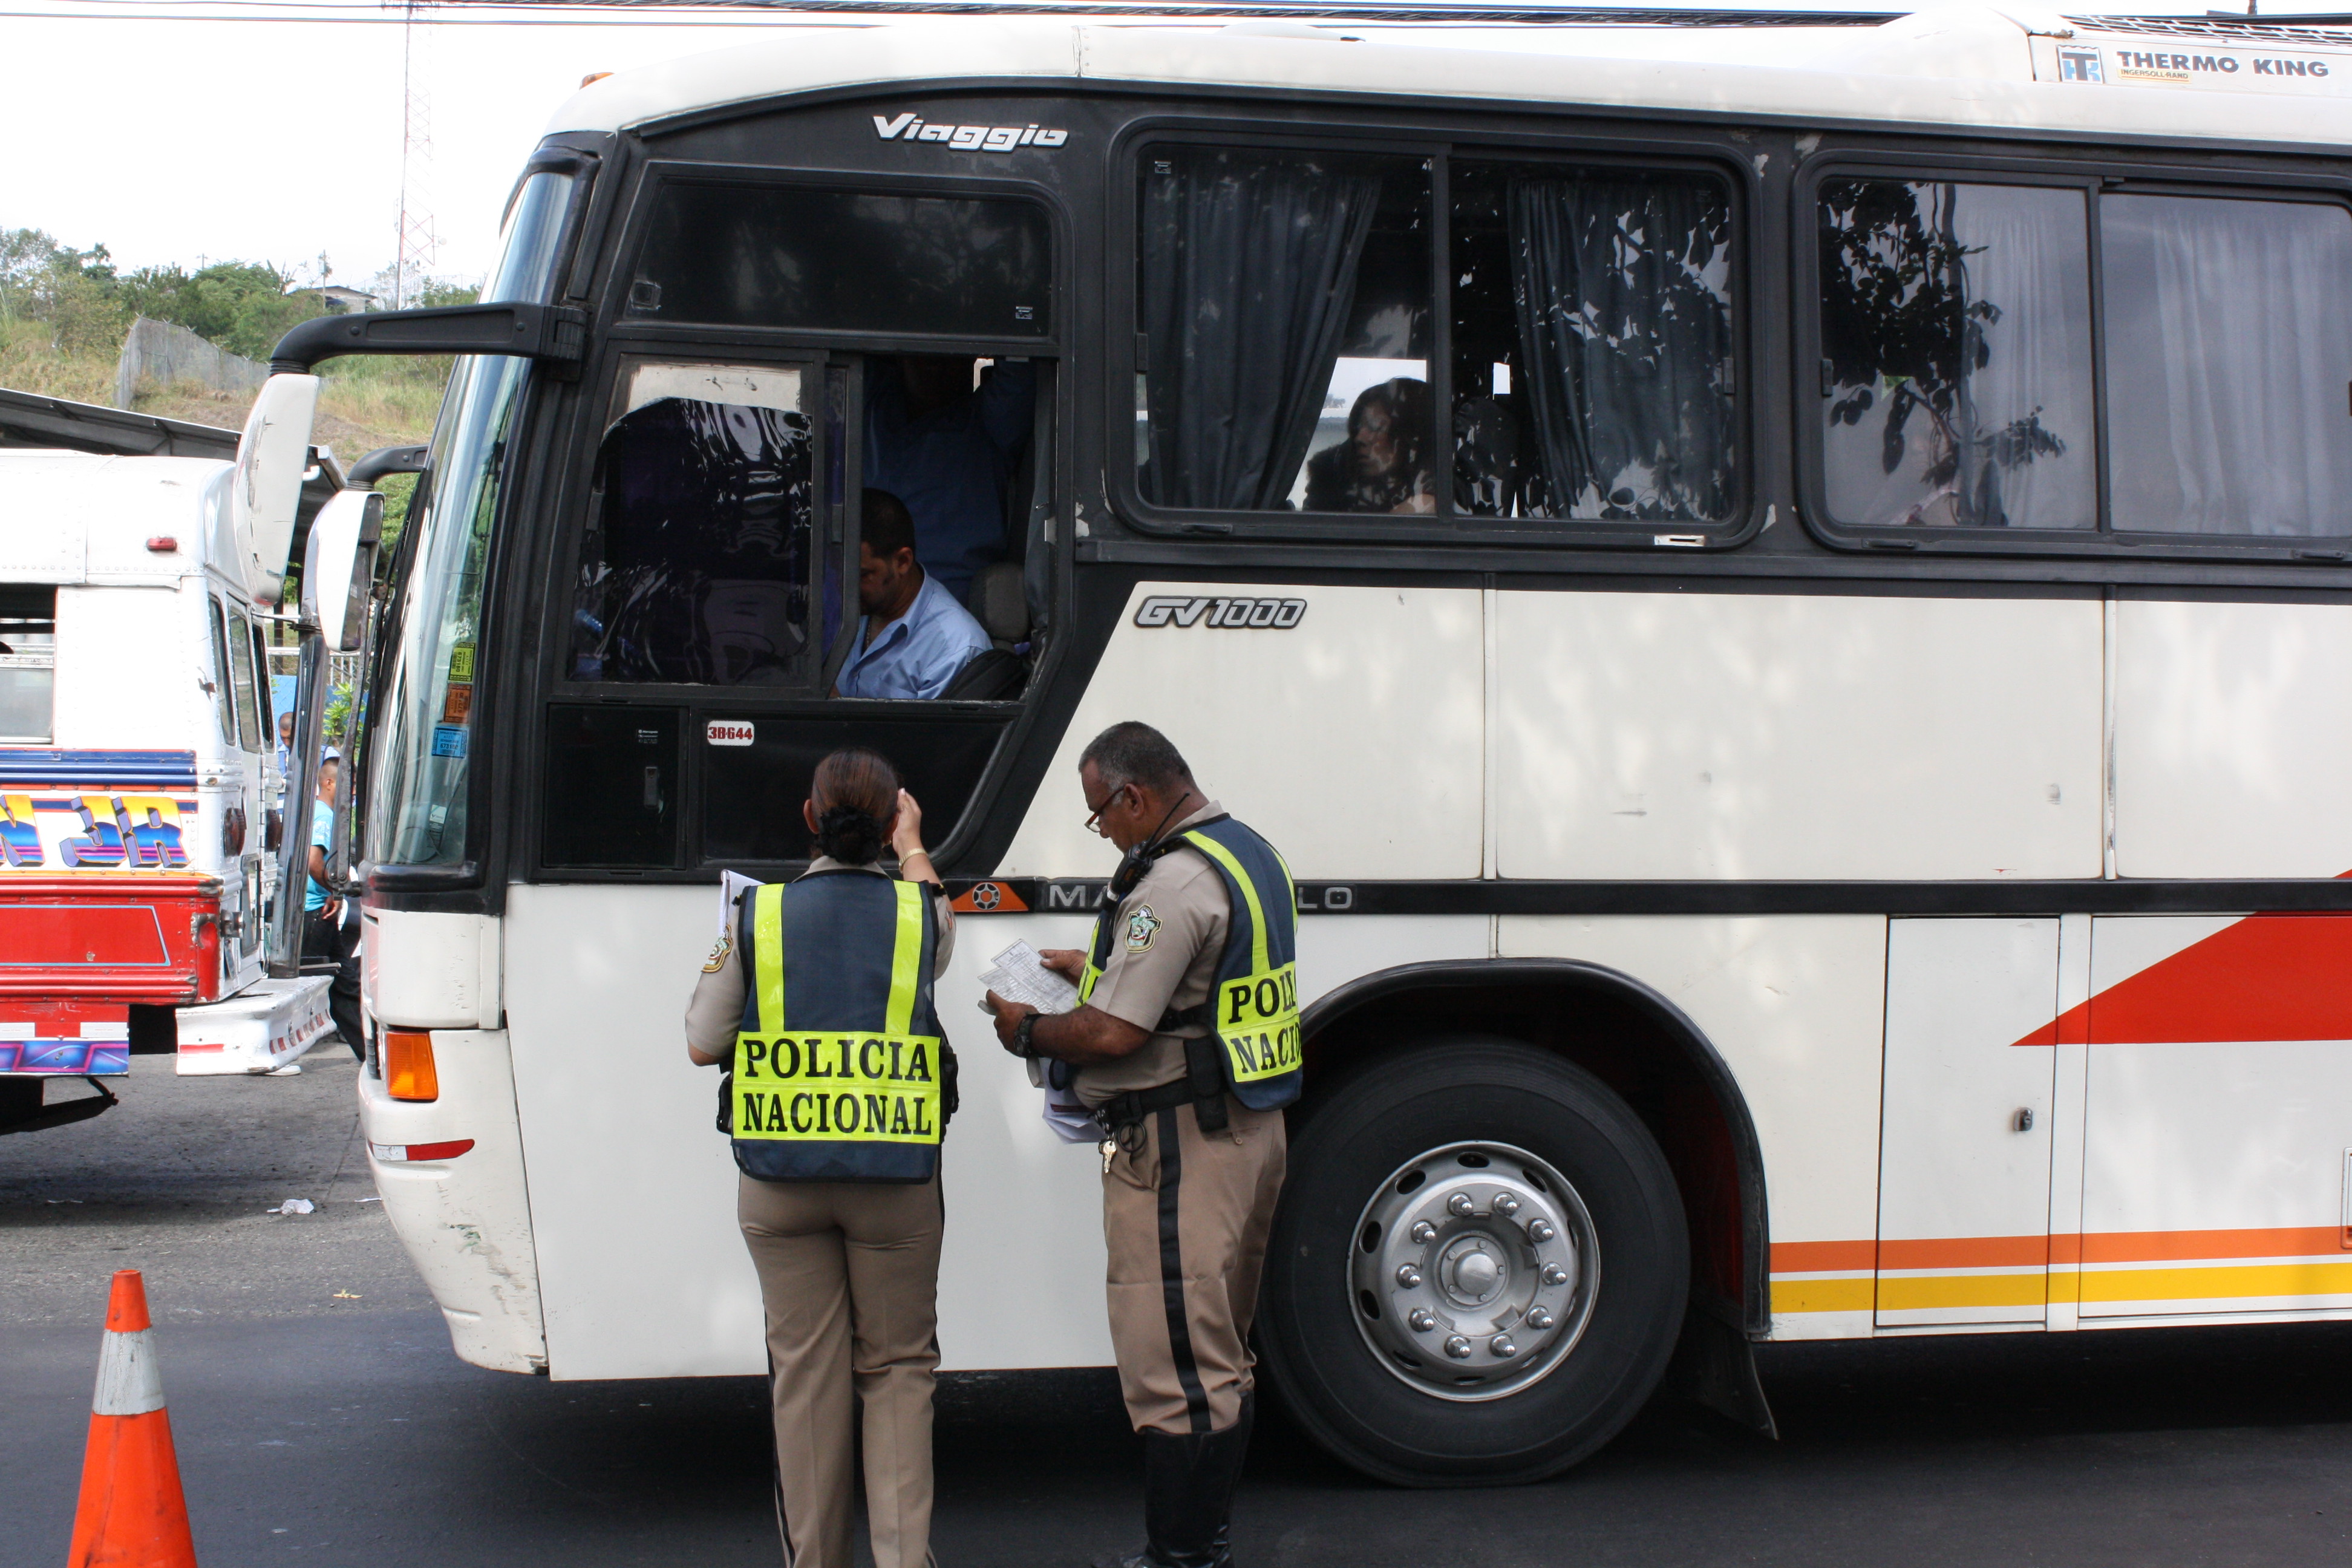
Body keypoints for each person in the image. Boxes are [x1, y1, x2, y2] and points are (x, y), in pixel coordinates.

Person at [984, 723, 1300, 1568]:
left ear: (1135, 795)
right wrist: (1093, 968)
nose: (1104, 832)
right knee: (1220, 1353)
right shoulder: (1249, 853)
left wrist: (1028, 1029)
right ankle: (1203, 1548)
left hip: (1179, 1147)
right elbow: (1196, 995)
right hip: (1247, 1131)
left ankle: (1181, 1559)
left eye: (1101, 815)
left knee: (1177, 1368)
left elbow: (1115, 1033)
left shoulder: (1171, 885)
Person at [682, 749, 955, 1568]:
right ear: (892, 822)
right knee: (898, 1369)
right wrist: (914, 846)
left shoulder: (757, 917)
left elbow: (703, 1042)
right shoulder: (919, 916)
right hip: (896, 1180)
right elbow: (940, 926)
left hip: (780, 1182)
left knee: (805, 1375)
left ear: (808, 819)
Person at [864, 354, 1036, 603]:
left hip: (945, 609)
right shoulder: (869, 406)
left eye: (950, 355)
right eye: (924, 355)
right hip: (854, 610)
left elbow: (1020, 362)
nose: (936, 364)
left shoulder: (989, 424)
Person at [834, 489, 993, 701]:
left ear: (902, 562)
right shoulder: (849, 610)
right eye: (836, 572)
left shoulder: (954, 649)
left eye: (862, 575)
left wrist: (832, 705)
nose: (842, 586)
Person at [302, 750, 364, 1059]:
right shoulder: (324, 816)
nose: (352, 793)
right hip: (315, 912)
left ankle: (370, 1054)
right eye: (347, 785)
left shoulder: (315, 811)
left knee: (345, 982)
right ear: (328, 783)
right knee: (313, 986)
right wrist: (335, 891)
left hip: (318, 912)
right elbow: (314, 862)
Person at [1304, 377, 1436, 515]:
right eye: (1358, 427)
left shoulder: (1439, 495)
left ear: (1410, 437)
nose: (1359, 438)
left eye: (1375, 427)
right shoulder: (1329, 477)